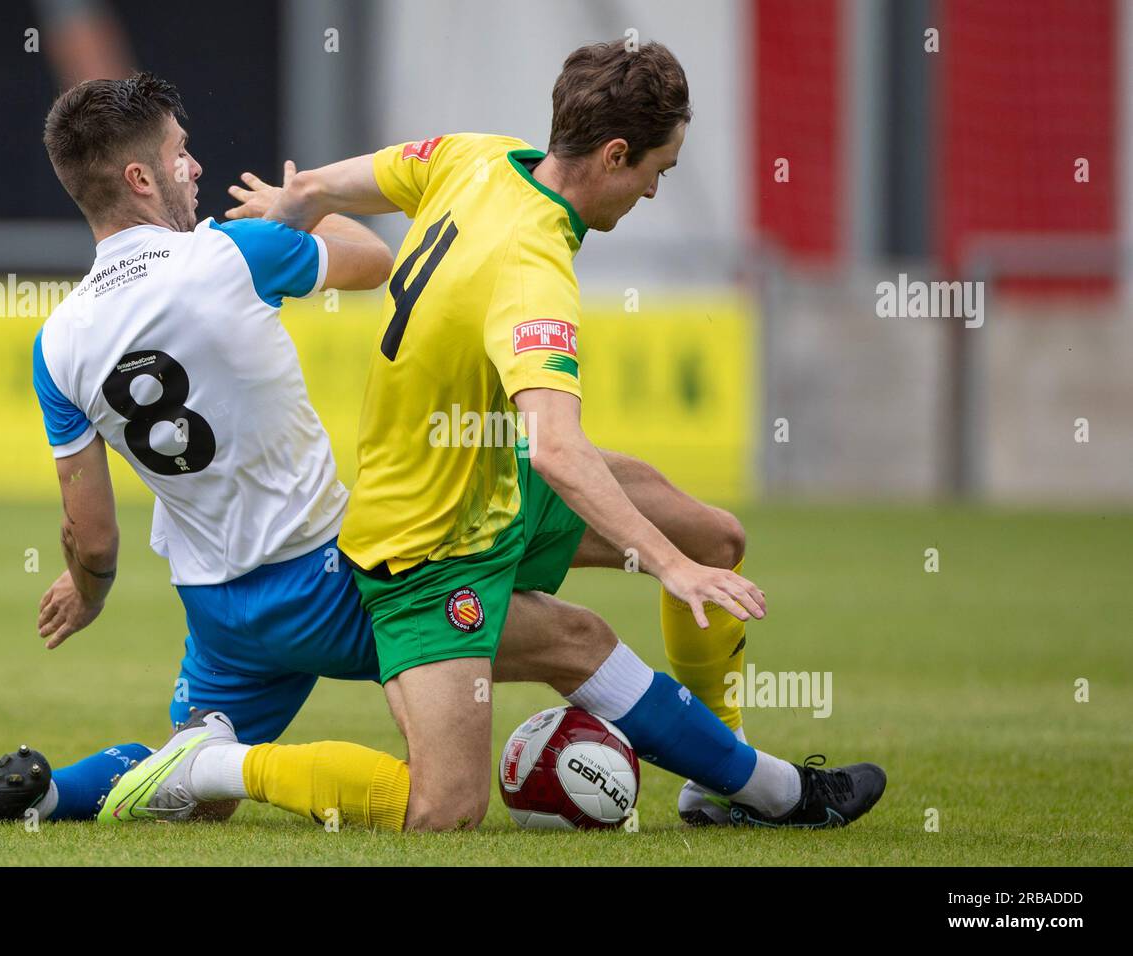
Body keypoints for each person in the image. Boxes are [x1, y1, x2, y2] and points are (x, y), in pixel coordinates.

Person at [246, 39, 887, 829]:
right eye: (659, 169)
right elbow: (556, 446)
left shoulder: (475, 156)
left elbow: (311, 185)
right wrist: (667, 566)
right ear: (616, 154)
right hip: (429, 541)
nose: (655, 190)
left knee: (716, 537)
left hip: (497, 477)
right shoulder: (533, 264)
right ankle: (212, 767)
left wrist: (279, 229)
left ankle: (725, 783)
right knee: (445, 807)